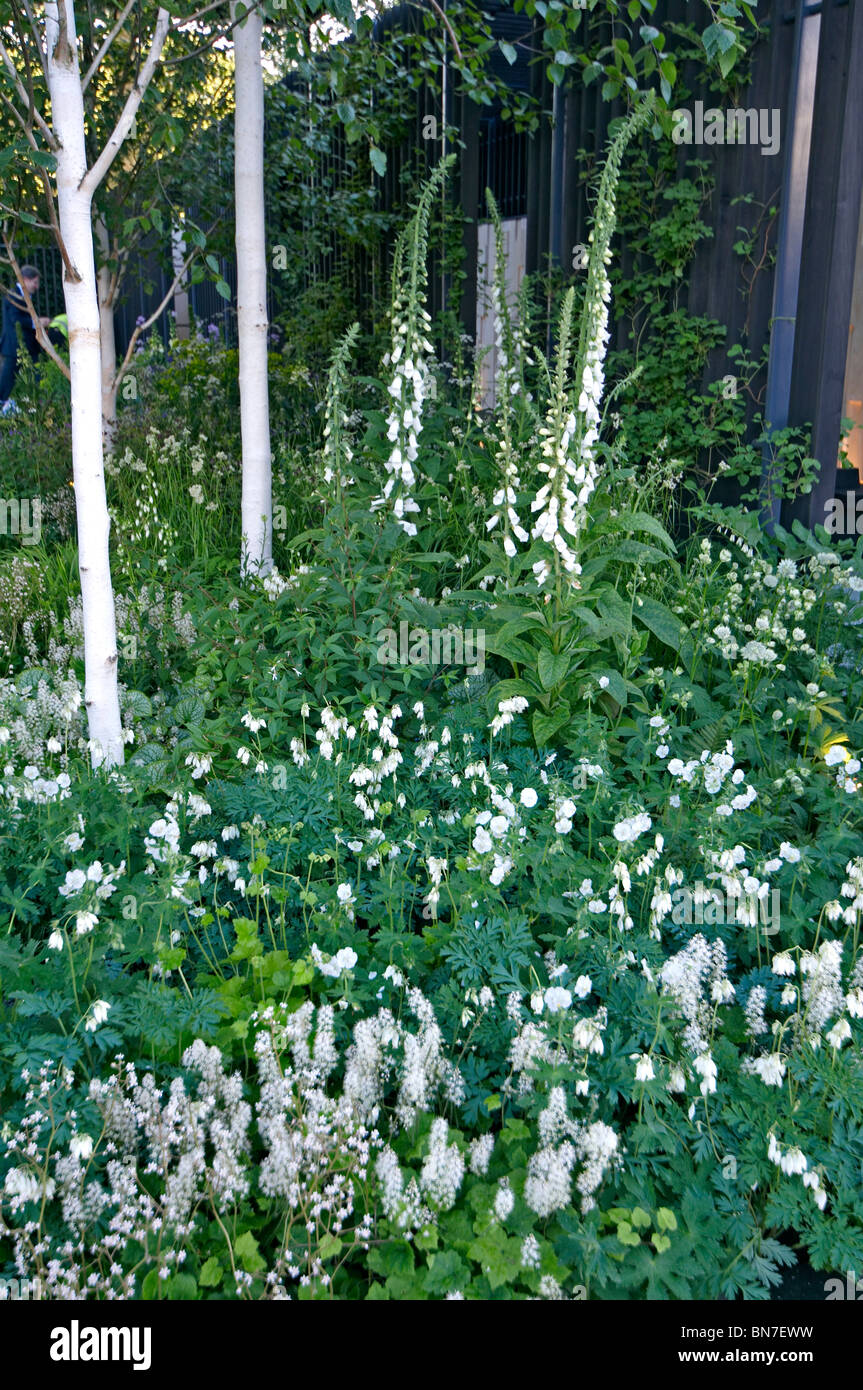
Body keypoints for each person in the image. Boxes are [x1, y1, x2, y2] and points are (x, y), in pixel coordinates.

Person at [0, 266, 52, 416]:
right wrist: (37, 322)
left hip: (27, 345)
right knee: (8, 378)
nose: (37, 286)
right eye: (35, 282)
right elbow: (16, 319)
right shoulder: (13, 295)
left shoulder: (23, 296)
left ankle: (37, 404)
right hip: (14, 345)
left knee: (34, 374)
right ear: (26, 280)